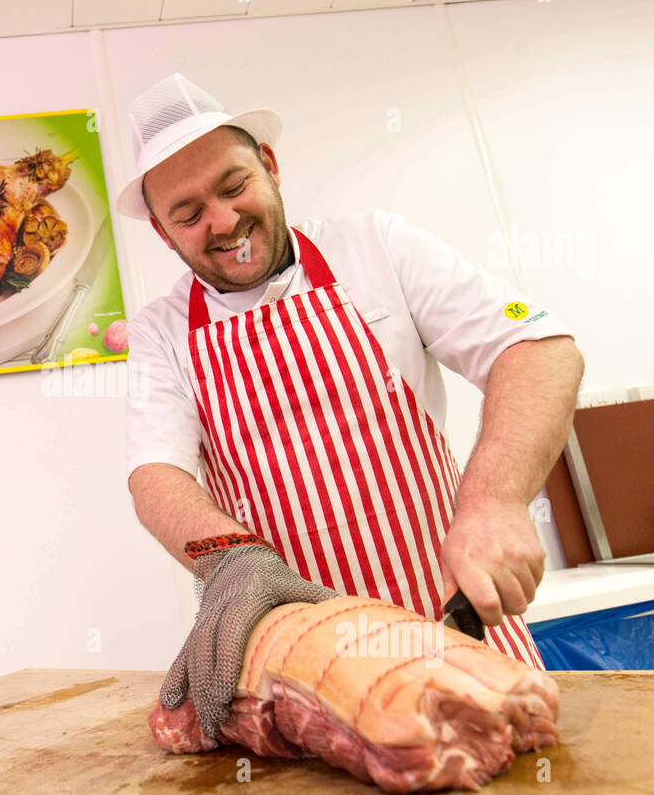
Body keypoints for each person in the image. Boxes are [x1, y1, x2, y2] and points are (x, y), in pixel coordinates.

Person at [116, 73, 585, 738]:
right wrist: (231, 556)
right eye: (188, 215)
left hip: (459, 635)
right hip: (302, 675)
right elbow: (155, 475)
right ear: (164, 234)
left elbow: (537, 347)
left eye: (233, 186)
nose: (222, 222)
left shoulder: (378, 248)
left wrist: (495, 499)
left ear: (270, 167)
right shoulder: (162, 332)